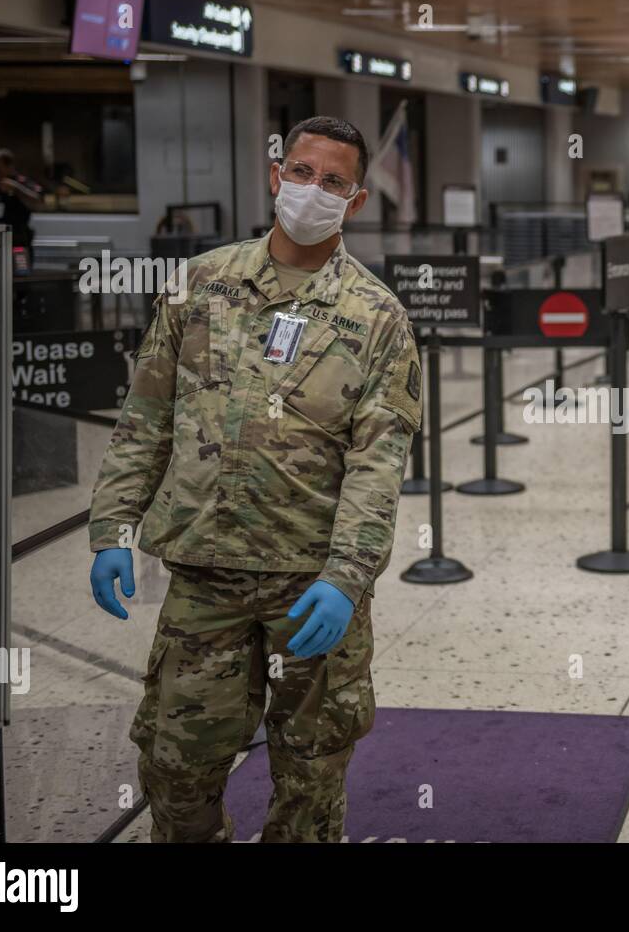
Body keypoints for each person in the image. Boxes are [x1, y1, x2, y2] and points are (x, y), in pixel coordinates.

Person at [87, 116, 423, 842]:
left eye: (332, 181)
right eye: (300, 173)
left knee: (310, 774)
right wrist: (113, 527)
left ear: (356, 201)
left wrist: (347, 575)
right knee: (176, 766)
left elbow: (378, 462)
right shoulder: (202, 283)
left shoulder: (378, 318)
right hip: (205, 578)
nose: (312, 190)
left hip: (310, 585)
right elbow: (145, 417)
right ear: (276, 176)